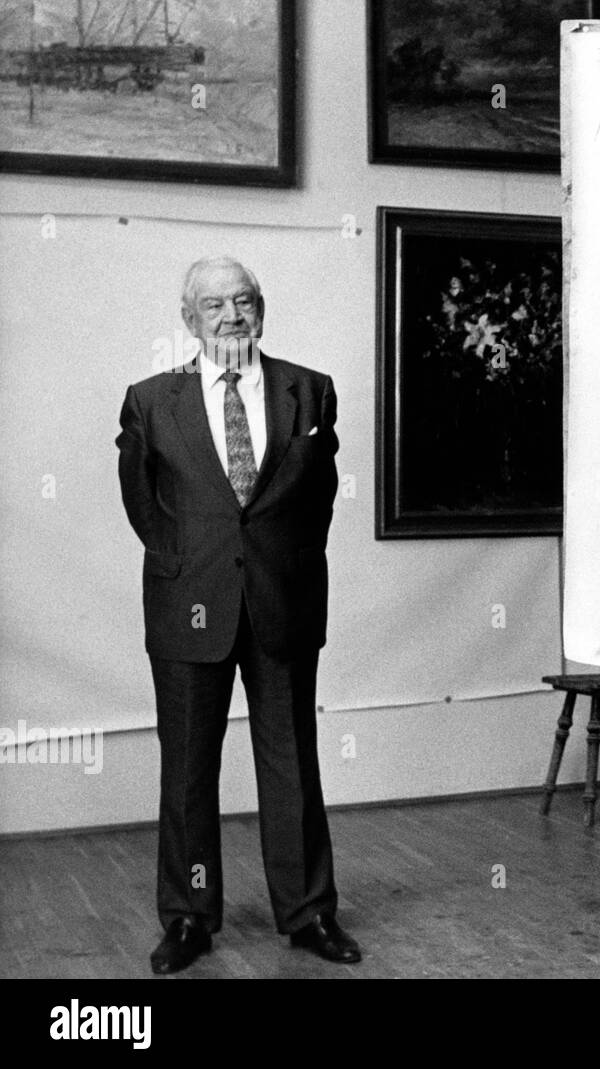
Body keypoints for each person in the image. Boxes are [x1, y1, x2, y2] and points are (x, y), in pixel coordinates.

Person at [116, 257, 361, 973]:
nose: (231, 316)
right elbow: (143, 502)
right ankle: (189, 918)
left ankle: (310, 913)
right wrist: (186, 562)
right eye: (214, 305)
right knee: (188, 769)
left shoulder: (309, 392)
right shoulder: (151, 399)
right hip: (188, 605)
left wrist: (279, 561)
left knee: (292, 763)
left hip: (282, 600)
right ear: (189, 318)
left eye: (243, 302)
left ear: (262, 310)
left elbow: (317, 498)